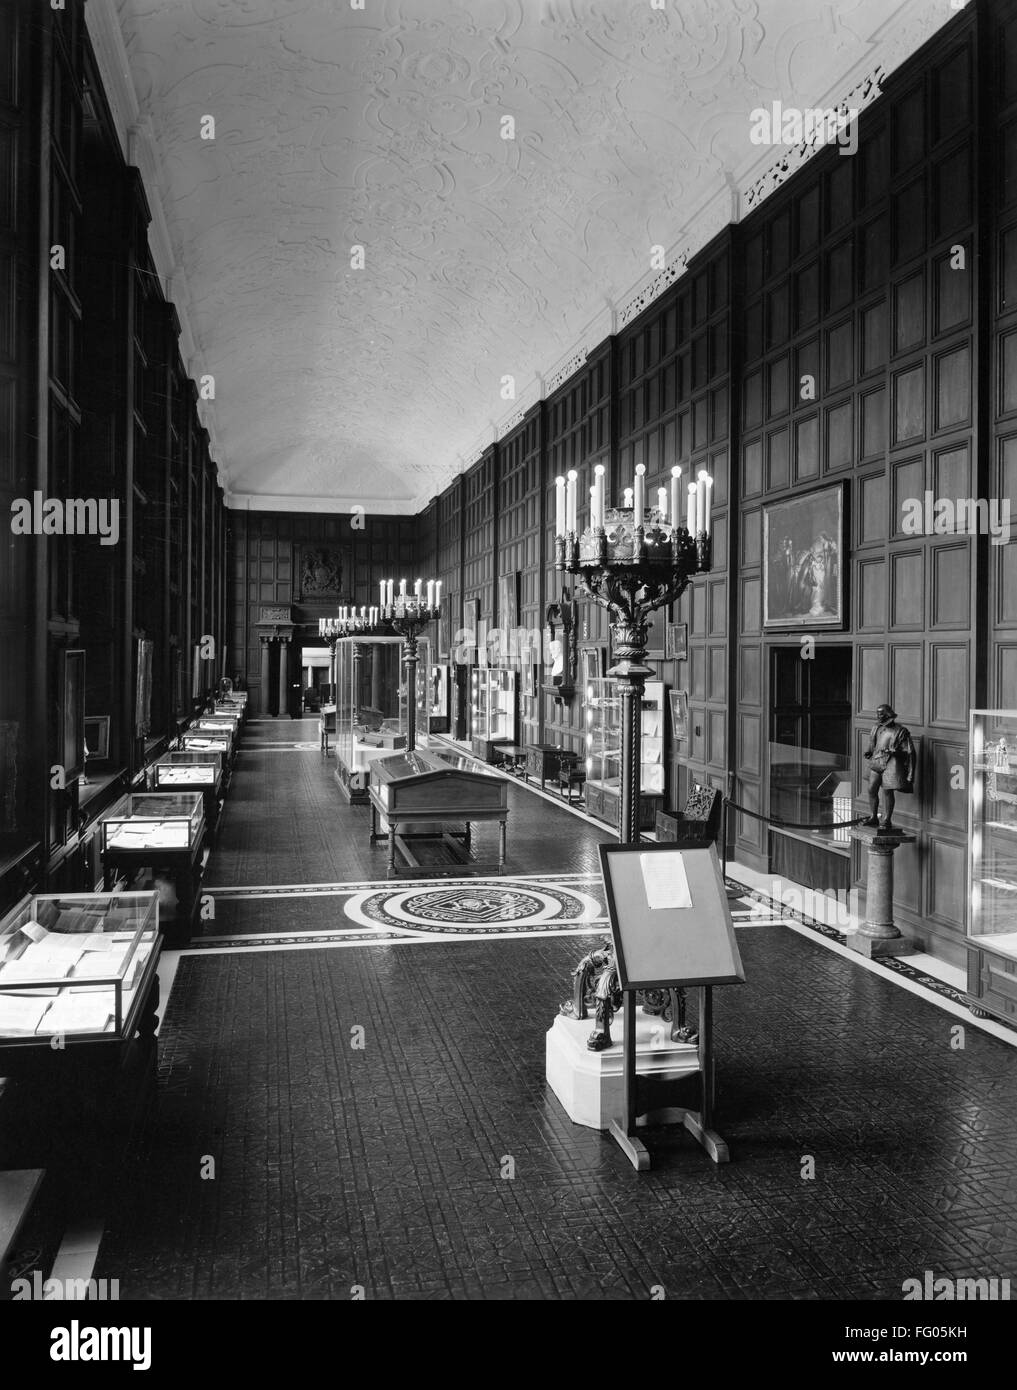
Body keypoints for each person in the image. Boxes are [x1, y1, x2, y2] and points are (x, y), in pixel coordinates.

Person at [863, 703, 916, 829]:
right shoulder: (877, 727)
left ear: (888, 714)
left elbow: (909, 752)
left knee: (887, 792)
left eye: (881, 713)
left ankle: (886, 820)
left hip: (891, 764)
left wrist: (910, 773)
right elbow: (874, 743)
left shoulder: (901, 731)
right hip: (877, 762)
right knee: (871, 789)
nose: (878, 716)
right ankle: (873, 816)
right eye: (877, 713)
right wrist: (869, 751)